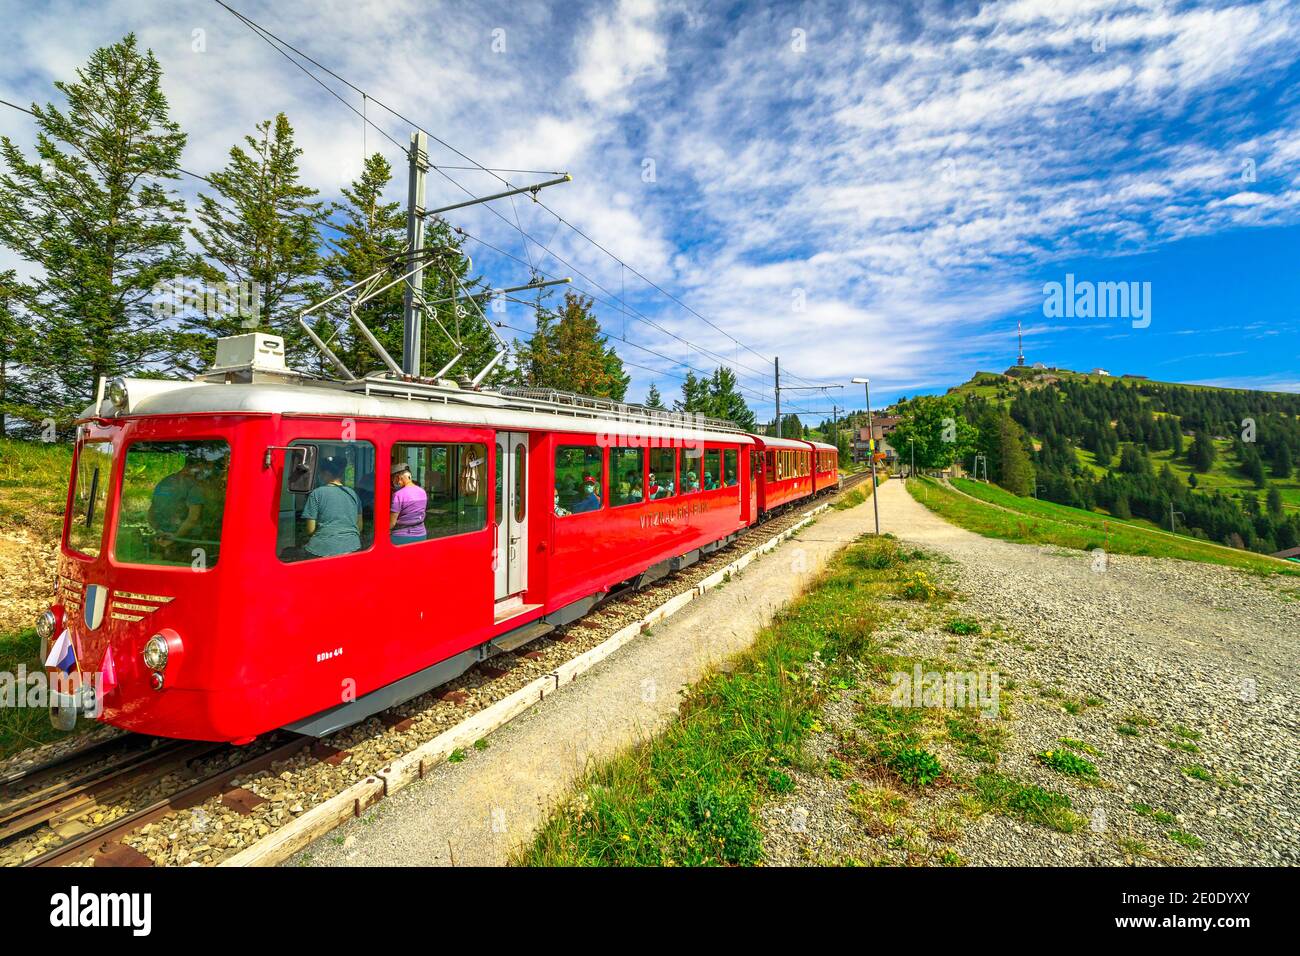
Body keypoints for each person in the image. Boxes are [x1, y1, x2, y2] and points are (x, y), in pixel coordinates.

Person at [301, 455, 362, 558]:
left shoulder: (316, 493)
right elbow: (359, 527)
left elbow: (310, 530)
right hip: (353, 546)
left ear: (326, 474)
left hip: (322, 549)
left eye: (320, 473)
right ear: (341, 473)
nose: (319, 475)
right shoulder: (353, 494)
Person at [149, 454, 208, 559]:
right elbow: (193, 518)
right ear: (198, 466)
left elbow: (151, 511)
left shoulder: (165, 481)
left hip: (160, 539)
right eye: (205, 468)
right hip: (184, 543)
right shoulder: (194, 486)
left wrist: (159, 530)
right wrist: (175, 537)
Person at [390, 462, 428, 544]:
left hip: (401, 537)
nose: (393, 482)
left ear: (398, 477)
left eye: (393, 478)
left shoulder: (398, 495)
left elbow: (392, 523)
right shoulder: (422, 491)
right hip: (421, 535)